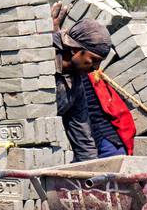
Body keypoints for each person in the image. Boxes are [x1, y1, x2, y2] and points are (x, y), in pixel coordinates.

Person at [53, 16, 126, 162]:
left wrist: (92, 169)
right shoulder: (41, 66)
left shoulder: (76, 84)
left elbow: (82, 136)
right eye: (94, 60)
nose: (96, 68)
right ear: (75, 49)